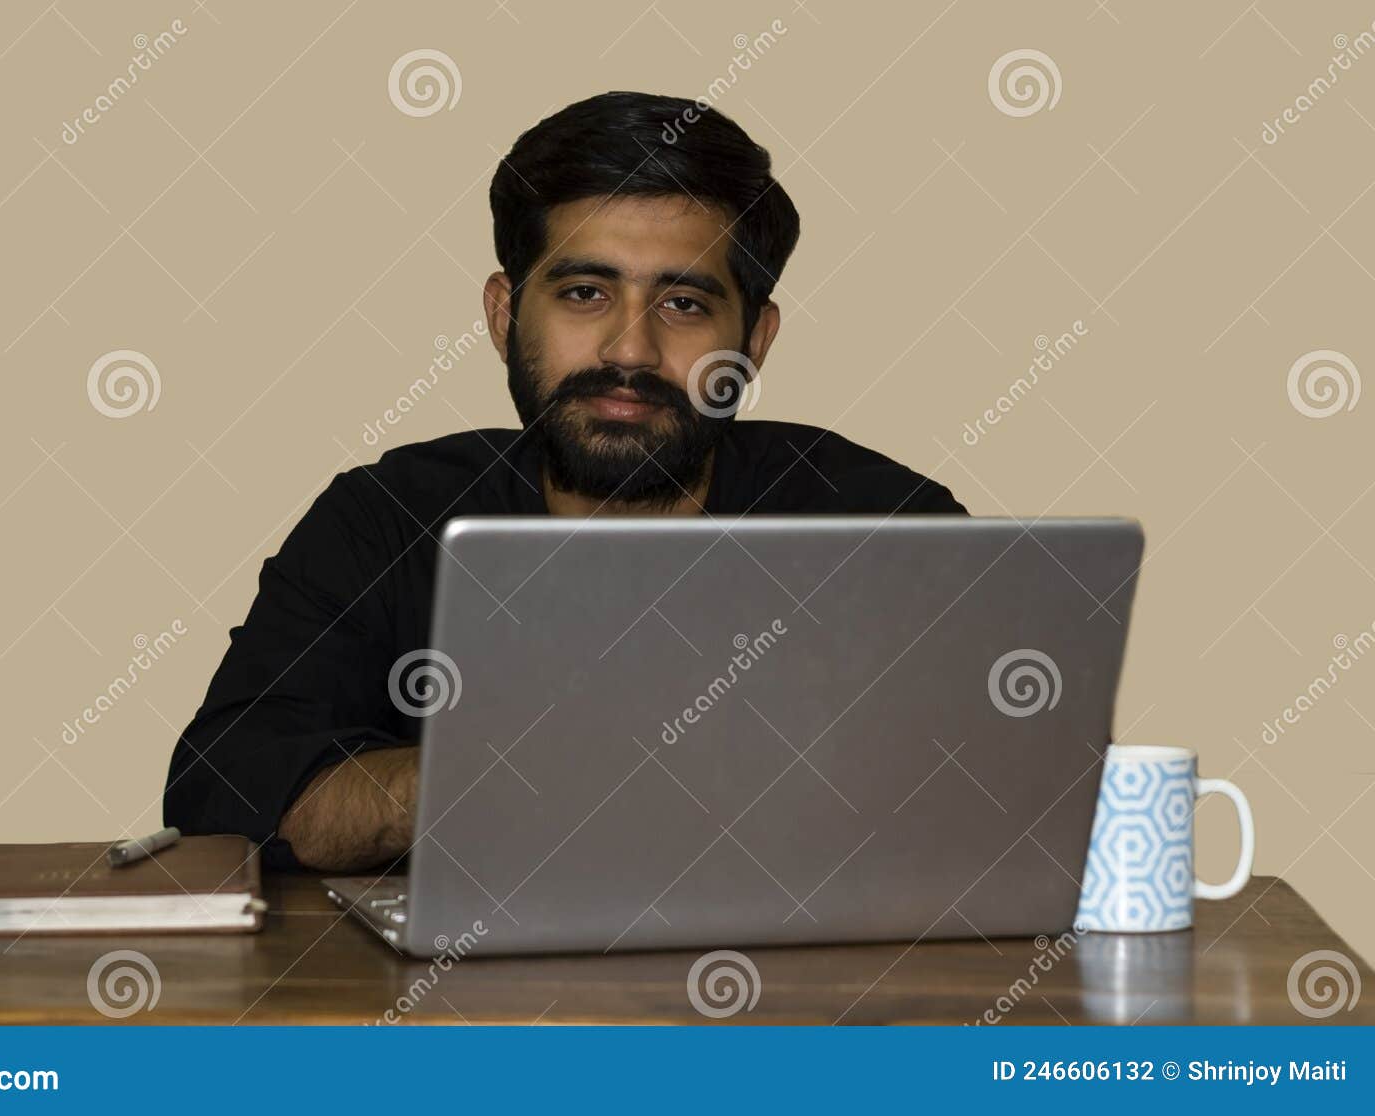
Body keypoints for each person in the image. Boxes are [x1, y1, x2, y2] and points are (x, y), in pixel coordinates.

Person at [163, 91, 966, 872]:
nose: (630, 350)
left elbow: (1016, 798)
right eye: (585, 293)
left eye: (684, 303)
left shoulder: (884, 524)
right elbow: (228, 793)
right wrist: (540, 768)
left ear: (752, 342)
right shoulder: (385, 519)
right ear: (505, 318)